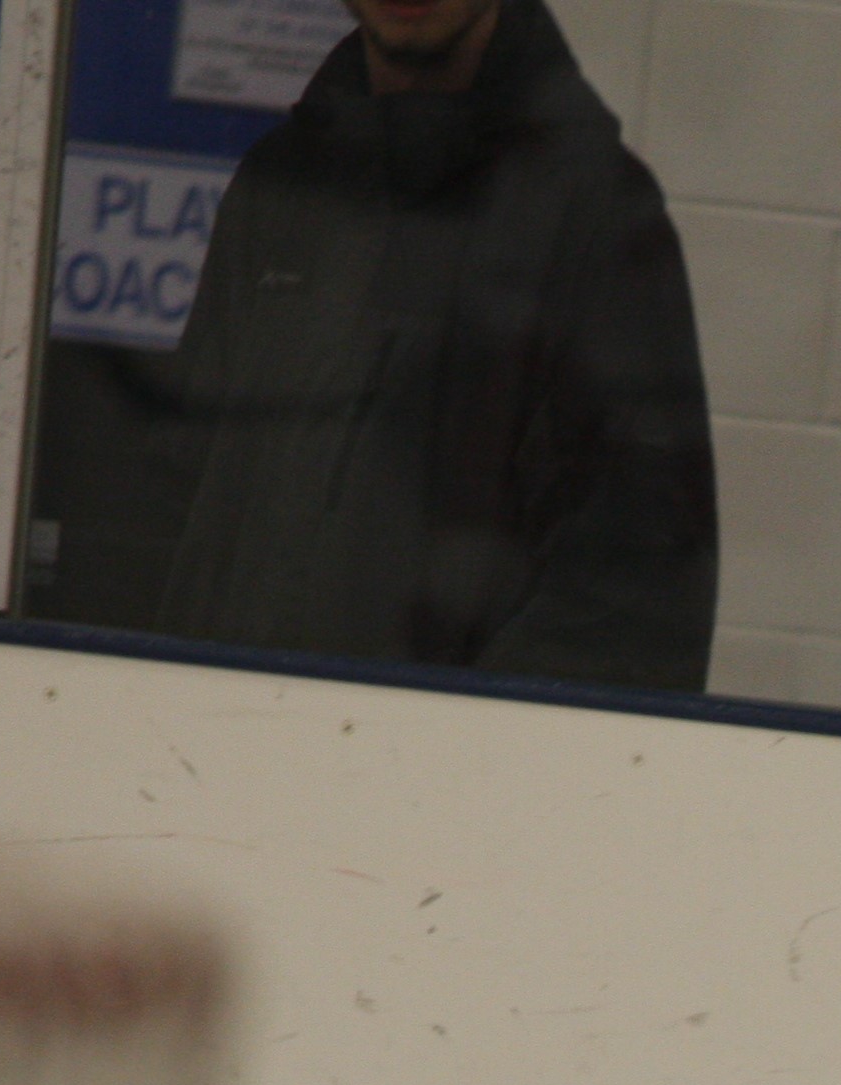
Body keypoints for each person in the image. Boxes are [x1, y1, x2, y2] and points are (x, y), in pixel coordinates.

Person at [155, 0, 716, 690]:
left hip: (436, 755)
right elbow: (176, 501)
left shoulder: (595, 213)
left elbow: (636, 600)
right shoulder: (280, 190)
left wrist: (438, 743)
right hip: (220, 736)